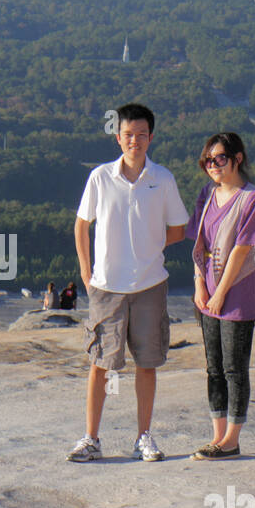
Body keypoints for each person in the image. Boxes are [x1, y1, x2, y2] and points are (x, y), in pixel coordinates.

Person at [66, 103, 188, 463]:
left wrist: (148, 247)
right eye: (128, 134)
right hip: (107, 287)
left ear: (151, 137)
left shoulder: (162, 178)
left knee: (147, 363)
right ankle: (91, 438)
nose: (134, 141)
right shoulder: (101, 177)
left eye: (142, 134)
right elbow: (81, 225)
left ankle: (144, 437)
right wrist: (87, 274)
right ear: (118, 137)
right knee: (101, 363)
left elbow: (178, 228)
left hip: (150, 284)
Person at [189, 133, 255, 460]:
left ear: (237, 158)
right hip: (207, 291)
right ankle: (217, 435)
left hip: (237, 294)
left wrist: (221, 292)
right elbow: (199, 244)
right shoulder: (207, 195)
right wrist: (200, 285)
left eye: (220, 158)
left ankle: (233, 440)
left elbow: (243, 249)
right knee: (214, 368)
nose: (213, 166)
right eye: (208, 160)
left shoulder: (252, 198)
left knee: (235, 367)